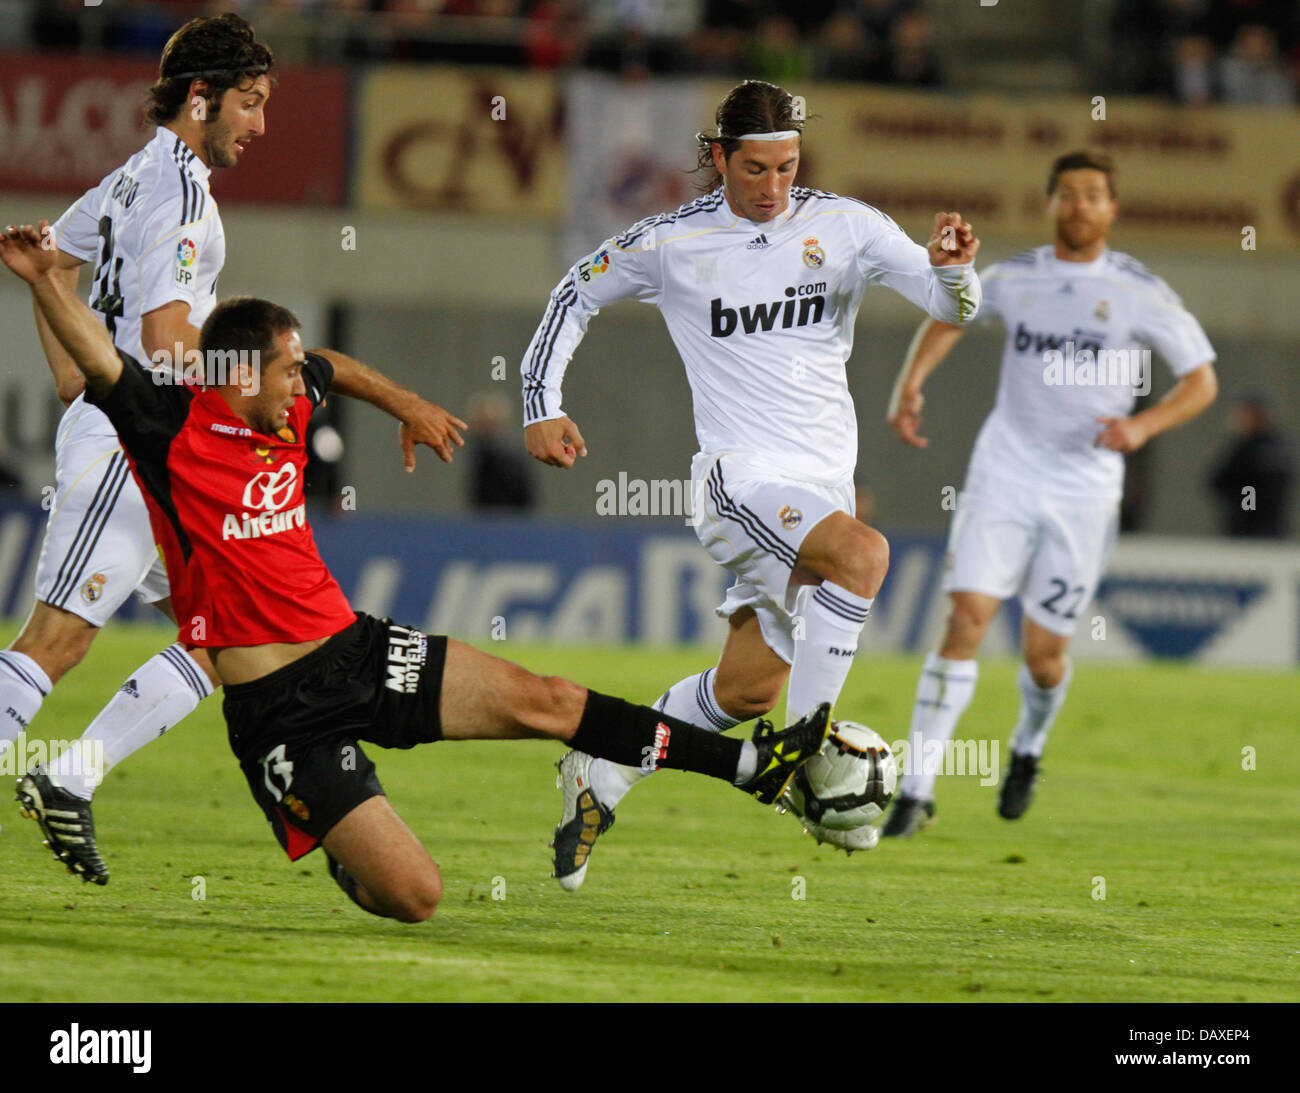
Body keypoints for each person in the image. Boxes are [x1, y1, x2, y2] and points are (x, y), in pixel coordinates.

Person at [1, 222, 831, 921]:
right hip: (281, 718)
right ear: (241, 375)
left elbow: (330, 360)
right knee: (414, 896)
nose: (303, 388)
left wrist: (406, 405)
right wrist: (44, 280)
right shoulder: (172, 428)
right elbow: (99, 362)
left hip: (359, 651)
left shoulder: (288, 400)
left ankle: (752, 770)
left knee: (551, 700)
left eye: (299, 373)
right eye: (287, 373)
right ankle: (341, 836)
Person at [521, 78, 982, 886]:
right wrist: (540, 402)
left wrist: (956, 270)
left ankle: (601, 769)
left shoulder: (846, 226)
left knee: (743, 690)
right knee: (865, 558)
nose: (774, 189)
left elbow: (952, 306)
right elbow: (574, 294)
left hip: (816, 489)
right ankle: (804, 753)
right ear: (719, 158)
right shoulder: (673, 242)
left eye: (788, 168)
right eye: (756, 170)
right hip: (739, 480)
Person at [3, 13, 273, 884]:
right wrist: (253, 385)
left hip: (144, 445)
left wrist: (74, 376)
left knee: (227, 633)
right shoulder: (185, 192)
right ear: (202, 97)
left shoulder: (128, 179)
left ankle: (69, 772)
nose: (258, 124)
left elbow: (49, 258)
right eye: (249, 102)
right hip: (133, 445)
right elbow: (164, 341)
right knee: (55, 641)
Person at [881, 149, 1218, 836]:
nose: (1080, 205)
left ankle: (1027, 748)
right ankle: (916, 792)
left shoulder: (1138, 290)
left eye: (1094, 194)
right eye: (1068, 193)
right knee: (967, 616)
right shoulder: (1018, 277)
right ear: (1050, 203)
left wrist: (1143, 424)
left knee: (1043, 656)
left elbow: (1201, 379)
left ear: (1113, 209)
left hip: (1085, 487)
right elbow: (952, 310)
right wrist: (911, 382)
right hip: (1005, 467)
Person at [1207, 391, 1293, 538]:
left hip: (1250, 528)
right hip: (1268, 526)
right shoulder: (1277, 446)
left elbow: (1243, 486)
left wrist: (1247, 508)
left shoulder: (1249, 449)